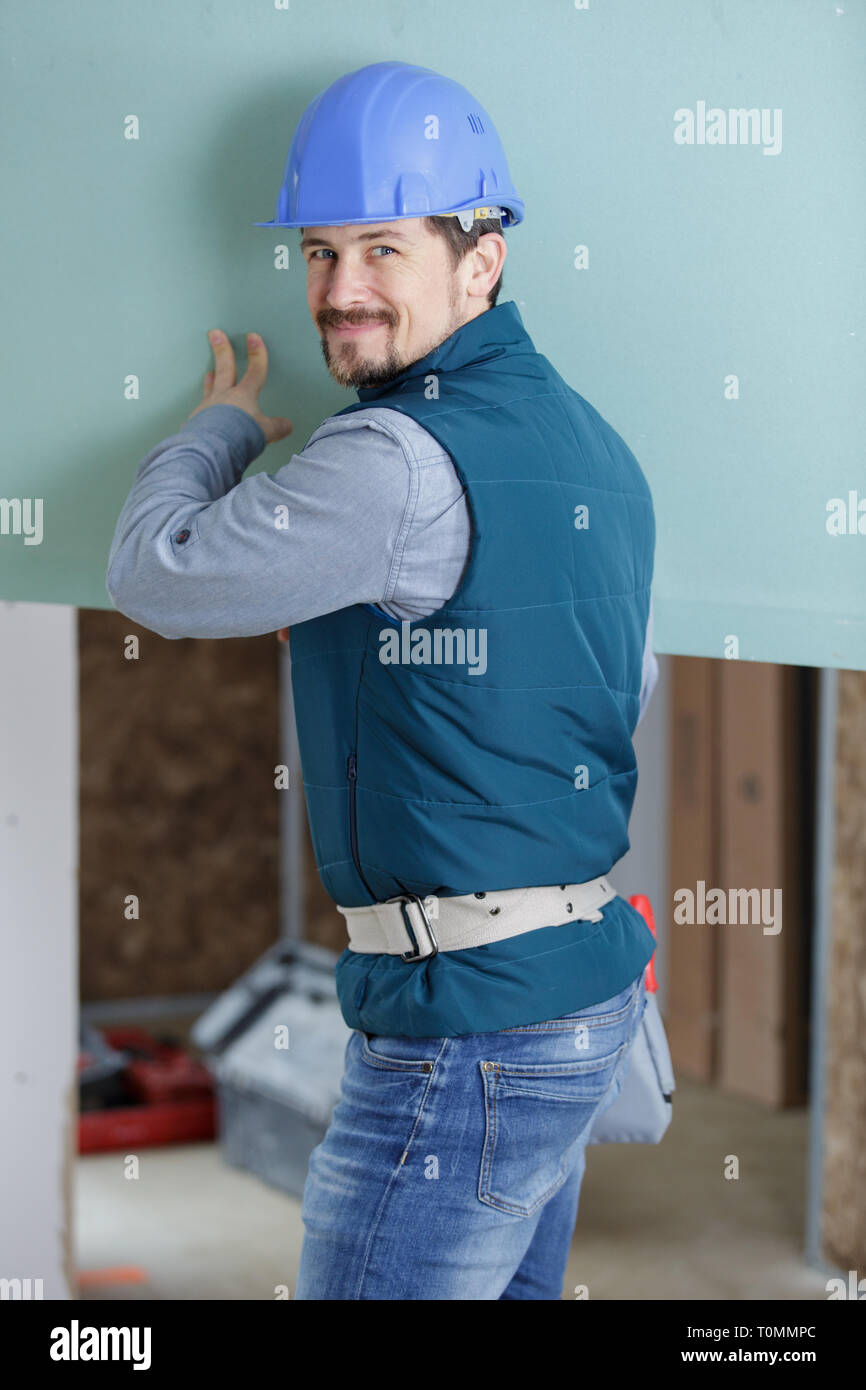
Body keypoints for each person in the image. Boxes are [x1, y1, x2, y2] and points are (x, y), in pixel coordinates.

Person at [106, 61, 659, 1300]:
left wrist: (223, 427)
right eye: (315, 253)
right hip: (581, 1002)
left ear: (481, 259)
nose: (338, 292)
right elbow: (626, 689)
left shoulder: (390, 460)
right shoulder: (600, 451)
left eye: (380, 250)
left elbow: (157, 569)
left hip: (464, 1030)